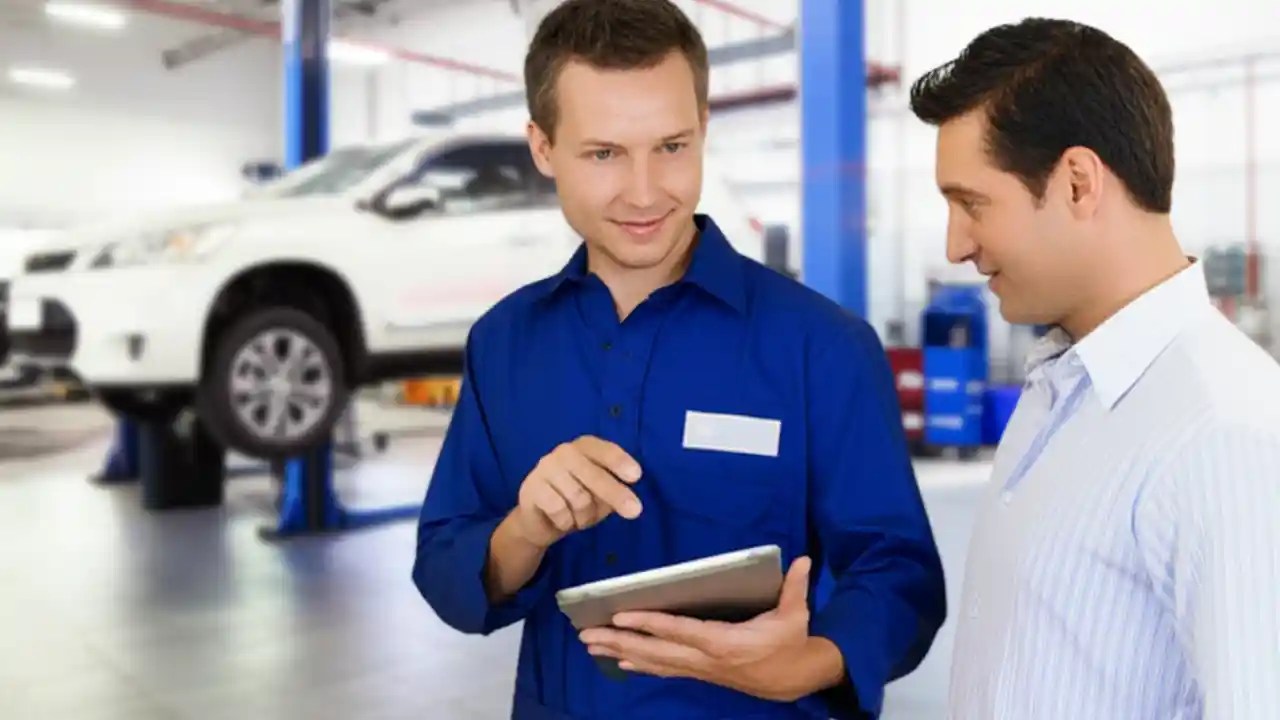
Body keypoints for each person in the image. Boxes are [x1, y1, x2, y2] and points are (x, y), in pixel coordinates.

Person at [412, 1, 947, 718]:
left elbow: (900, 574)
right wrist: (525, 531)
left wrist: (809, 662)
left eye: (672, 146)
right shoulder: (505, 342)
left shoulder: (820, 347)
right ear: (542, 148)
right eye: (604, 154)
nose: (644, 192)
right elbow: (446, 568)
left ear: (704, 129)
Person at [909, 17, 1280, 720]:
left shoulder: (1226, 432)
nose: (957, 244)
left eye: (972, 203)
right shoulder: (1062, 389)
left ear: (1078, 182)